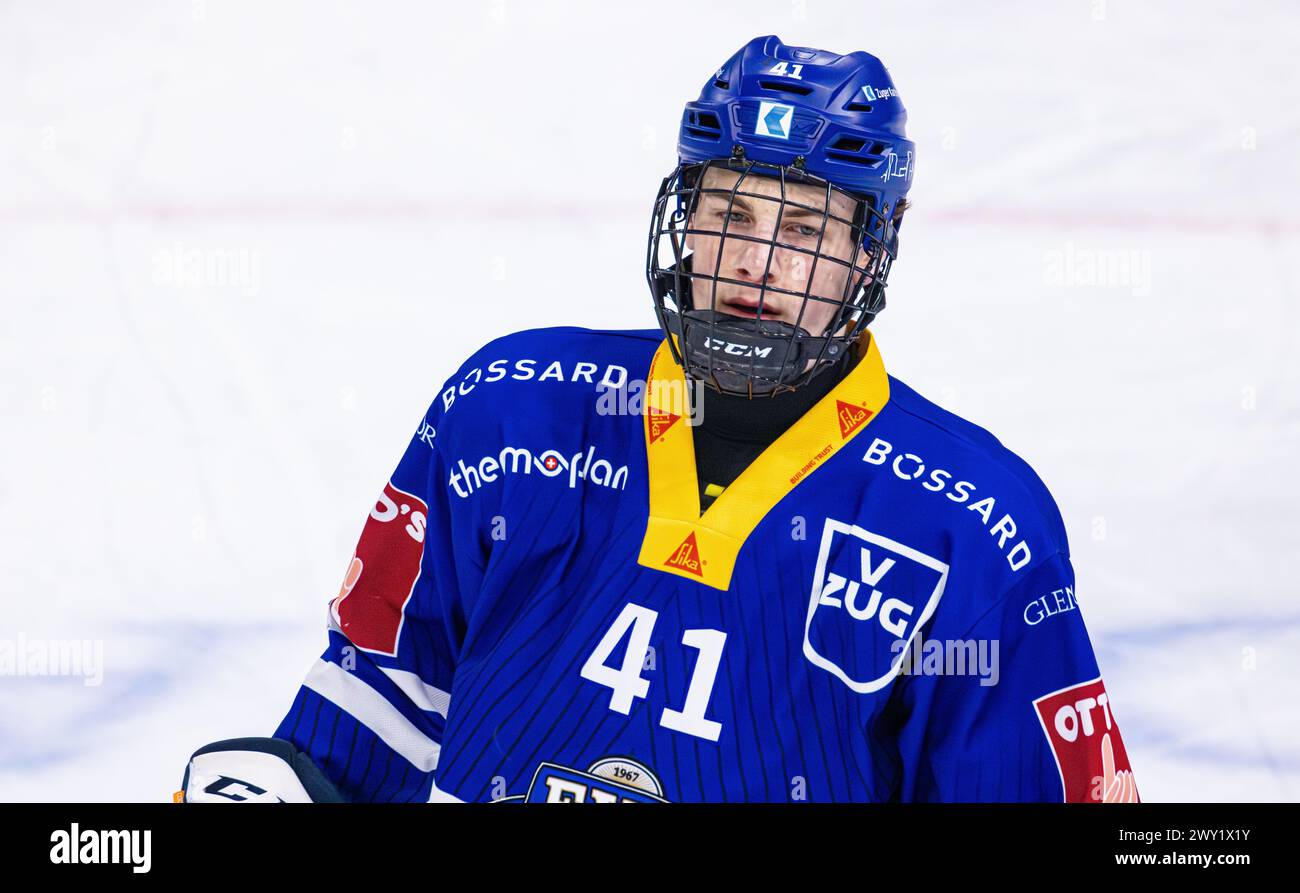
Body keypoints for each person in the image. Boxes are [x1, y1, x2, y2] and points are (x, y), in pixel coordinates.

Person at [179, 35, 1138, 803]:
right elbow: (373, 706)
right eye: (730, 215)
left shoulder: (972, 524)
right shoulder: (508, 414)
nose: (756, 262)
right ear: (683, 222)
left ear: (868, 255)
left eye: (803, 231)